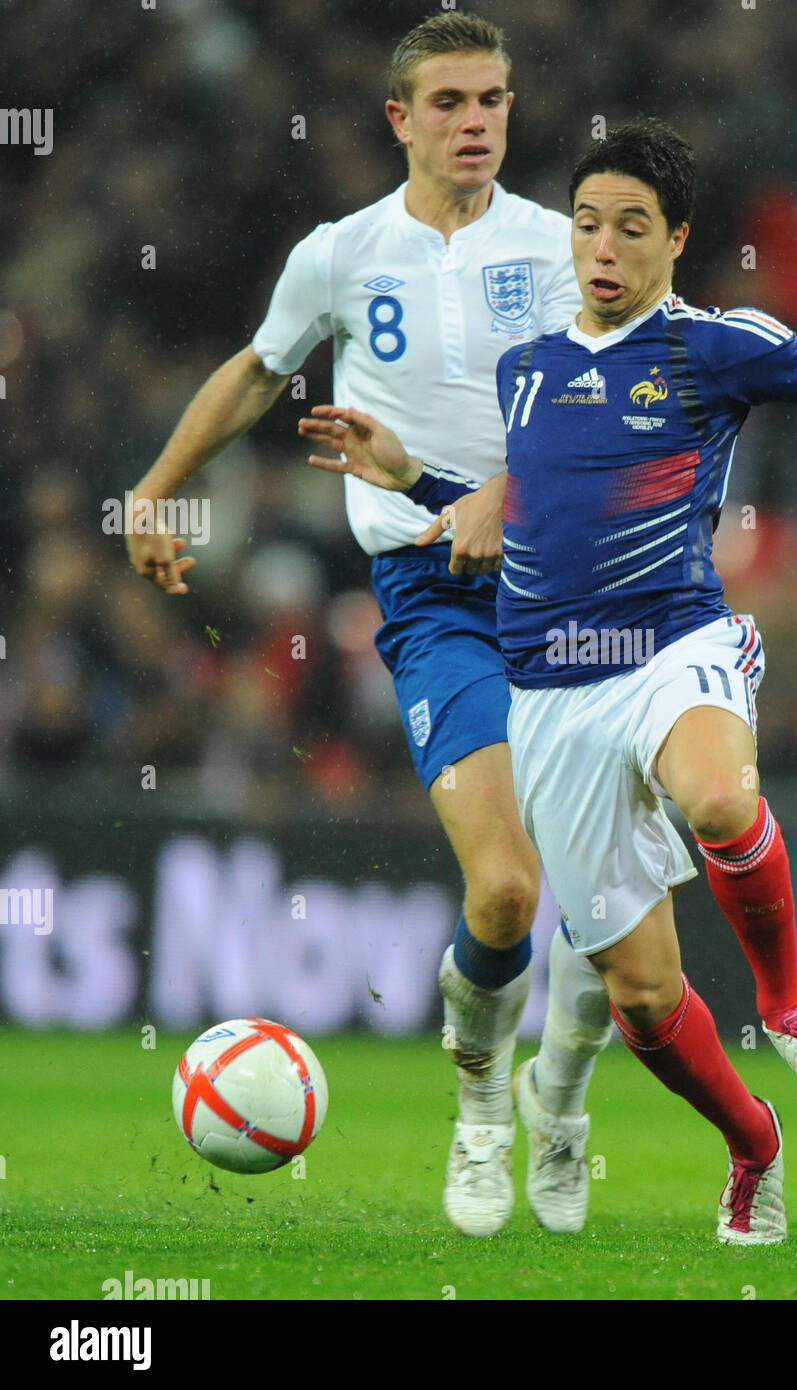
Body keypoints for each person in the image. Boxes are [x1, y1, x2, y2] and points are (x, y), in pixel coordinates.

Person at [304, 117, 797, 1242]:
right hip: (549, 693)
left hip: (675, 646)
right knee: (638, 997)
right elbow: (535, 508)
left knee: (723, 798)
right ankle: (753, 1144)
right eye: (588, 224)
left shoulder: (714, 347)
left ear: (675, 240)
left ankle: (789, 1003)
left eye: (633, 228)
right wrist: (417, 474)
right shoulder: (531, 371)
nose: (604, 247)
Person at [124, 12, 616, 1240]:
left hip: (583, 593)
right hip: (433, 595)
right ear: (400, 119)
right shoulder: (342, 253)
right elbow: (255, 368)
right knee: (505, 891)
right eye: (449, 103)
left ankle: (561, 1100)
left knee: (614, 920)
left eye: (493, 101)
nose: (477, 124)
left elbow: (627, 395)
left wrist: (515, 491)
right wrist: (155, 486)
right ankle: (480, 1104)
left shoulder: (562, 251)